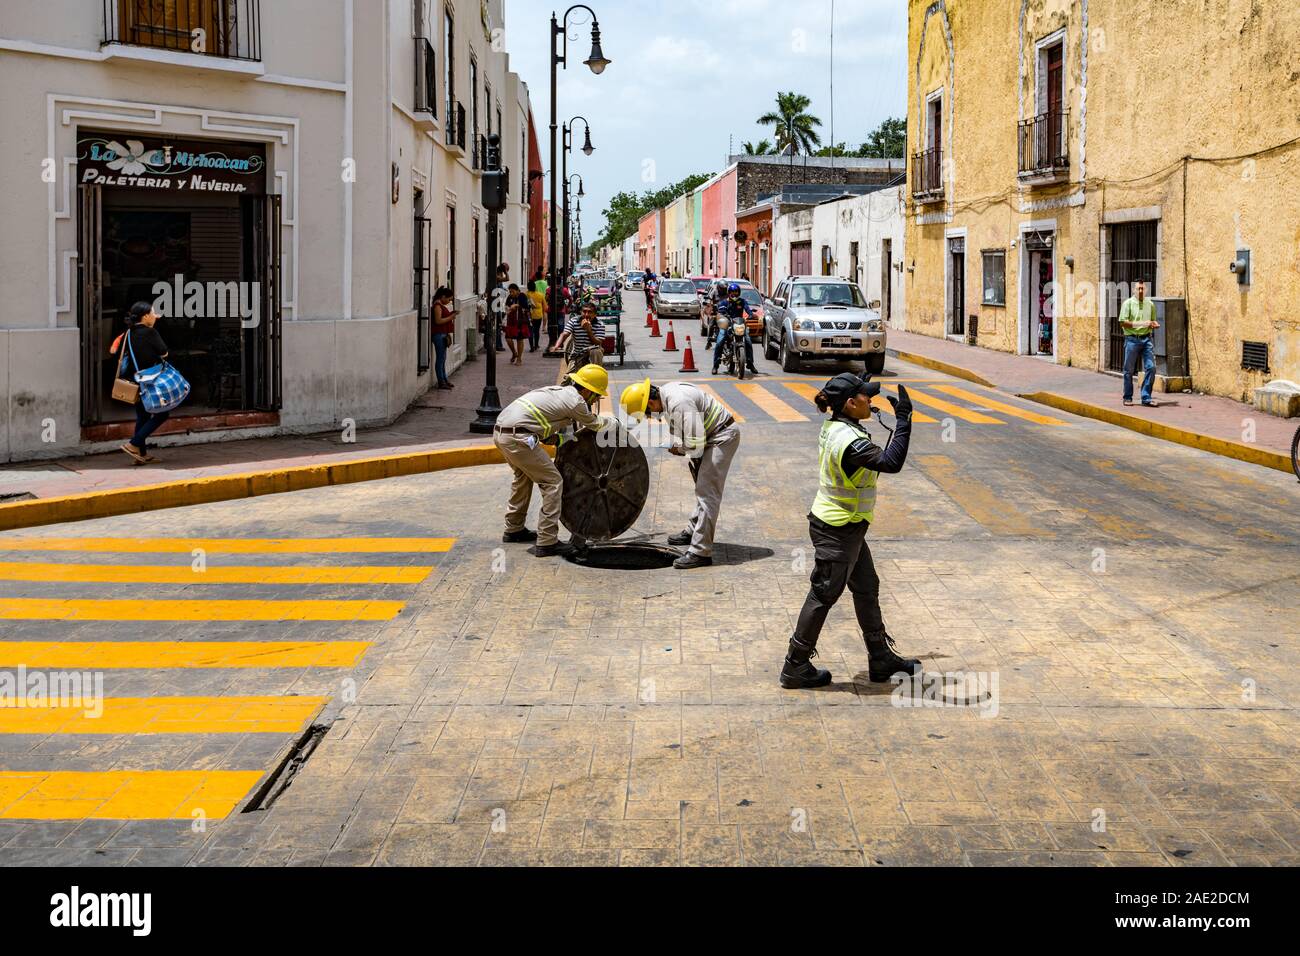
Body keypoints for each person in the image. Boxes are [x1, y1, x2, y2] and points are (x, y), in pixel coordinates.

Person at [781, 373, 923, 690]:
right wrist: (904, 421)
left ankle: (880, 657)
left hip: (848, 525)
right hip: (837, 528)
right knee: (823, 593)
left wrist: (855, 380)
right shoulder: (850, 442)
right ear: (849, 403)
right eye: (865, 397)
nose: (870, 402)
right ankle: (795, 664)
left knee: (866, 585)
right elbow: (891, 462)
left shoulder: (837, 425)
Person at [621, 379, 740, 570]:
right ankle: (694, 530)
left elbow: (695, 441)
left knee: (707, 493)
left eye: (648, 414)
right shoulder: (667, 395)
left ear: (650, 403)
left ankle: (700, 552)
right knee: (702, 487)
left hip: (721, 437)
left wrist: (681, 449)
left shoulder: (678, 402)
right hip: (710, 437)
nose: (651, 417)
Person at [494, 364, 610, 557]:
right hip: (519, 438)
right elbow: (595, 424)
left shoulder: (560, 393)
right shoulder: (576, 402)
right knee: (553, 482)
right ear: (588, 390)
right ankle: (547, 541)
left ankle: (513, 528)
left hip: (502, 433)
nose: (597, 398)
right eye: (597, 394)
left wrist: (559, 439)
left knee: (522, 478)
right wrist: (613, 423)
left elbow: (540, 422)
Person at [117, 301, 174, 465]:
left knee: (142, 416)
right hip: (150, 380)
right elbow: (164, 353)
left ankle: (140, 455)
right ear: (146, 316)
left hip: (134, 380)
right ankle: (133, 444)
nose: (156, 316)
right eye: (153, 313)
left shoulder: (128, 333)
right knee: (163, 413)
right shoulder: (150, 332)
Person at [1119, 281, 1160, 407]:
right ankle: (1128, 397)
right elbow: (1123, 322)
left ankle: (1146, 397)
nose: (1140, 291)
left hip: (1146, 339)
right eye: (1138, 289)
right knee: (1129, 370)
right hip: (1131, 339)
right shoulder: (1128, 304)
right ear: (1133, 290)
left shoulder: (1150, 304)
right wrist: (1142, 324)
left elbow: (1152, 321)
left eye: (1142, 288)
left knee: (1151, 368)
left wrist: (1154, 324)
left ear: (1146, 290)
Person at [713, 283, 757, 375]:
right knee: (720, 341)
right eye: (732, 292)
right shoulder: (724, 302)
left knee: (748, 341)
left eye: (736, 292)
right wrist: (722, 313)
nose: (734, 294)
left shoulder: (742, 301)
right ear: (729, 293)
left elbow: (747, 309)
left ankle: (750, 363)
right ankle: (715, 365)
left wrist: (751, 315)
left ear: (739, 293)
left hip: (739, 324)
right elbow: (721, 310)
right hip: (727, 325)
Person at [558, 300, 606, 373]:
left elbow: (598, 343)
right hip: (577, 355)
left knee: (596, 350)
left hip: (592, 356)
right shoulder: (573, 321)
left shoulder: (600, 324)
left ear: (595, 314)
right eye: (584, 312)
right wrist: (558, 345)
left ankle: (596, 372)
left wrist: (589, 331)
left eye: (590, 312)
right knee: (567, 380)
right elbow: (565, 334)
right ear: (581, 312)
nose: (586, 314)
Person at [432, 287, 456, 389]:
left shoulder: (440, 305)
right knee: (440, 359)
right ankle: (441, 381)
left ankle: (444, 379)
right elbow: (438, 321)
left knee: (443, 359)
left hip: (442, 334)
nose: (449, 301)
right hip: (438, 335)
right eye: (448, 299)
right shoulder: (437, 306)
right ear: (443, 297)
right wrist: (451, 317)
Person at [504, 283, 530, 365]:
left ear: (517, 290)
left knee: (519, 339)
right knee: (508, 338)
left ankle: (519, 358)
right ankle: (514, 353)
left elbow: (526, 306)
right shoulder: (510, 297)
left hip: (520, 321)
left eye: (512, 292)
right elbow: (506, 305)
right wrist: (508, 308)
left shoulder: (522, 296)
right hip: (511, 321)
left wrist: (516, 305)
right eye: (510, 292)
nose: (511, 293)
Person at [526, 279, 546, 352]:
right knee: (537, 330)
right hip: (538, 315)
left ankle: (531, 346)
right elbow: (545, 306)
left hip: (530, 315)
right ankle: (536, 345)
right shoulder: (540, 295)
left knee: (530, 330)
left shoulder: (526, 294)